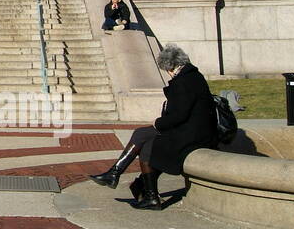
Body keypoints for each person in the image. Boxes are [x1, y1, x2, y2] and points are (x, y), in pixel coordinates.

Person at [88, 44, 218, 209]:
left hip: (192, 135)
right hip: (193, 130)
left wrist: (158, 123)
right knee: (145, 141)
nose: (168, 74)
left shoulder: (184, 81)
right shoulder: (192, 76)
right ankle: (139, 189)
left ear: (170, 66)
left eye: (167, 70)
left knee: (144, 138)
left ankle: (117, 175)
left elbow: (179, 115)